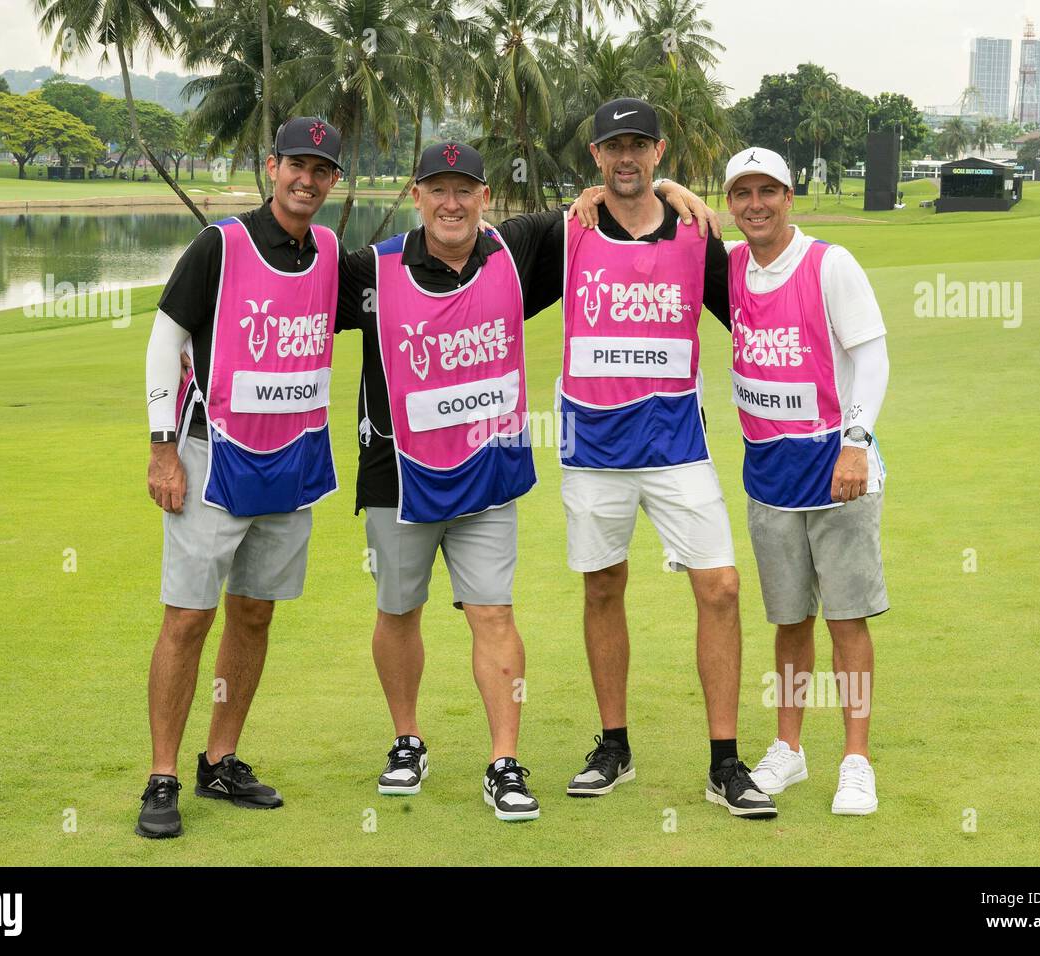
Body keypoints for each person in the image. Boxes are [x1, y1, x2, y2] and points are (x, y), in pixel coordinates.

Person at [335, 141, 717, 821]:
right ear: (417, 195)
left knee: (494, 613)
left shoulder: (519, 249)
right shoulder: (374, 268)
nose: (451, 204)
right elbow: (295, 291)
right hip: (397, 472)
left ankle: (503, 762)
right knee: (397, 610)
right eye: (437, 190)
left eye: (465, 191)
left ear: (485, 197)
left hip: (489, 471)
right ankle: (406, 740)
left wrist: (677, 188)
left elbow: (614, 194)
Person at [559, 99, 776, 818]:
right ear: (596, 156)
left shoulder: (695, 230)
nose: (625, 158)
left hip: (678, 443)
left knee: (720, 587)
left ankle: (724, 763)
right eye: (612, 146)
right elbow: (465, 264)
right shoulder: (567, 231)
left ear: (658, 151)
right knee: (602, 587)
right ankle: (613, 747)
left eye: (639, 146)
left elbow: (754, 309)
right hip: (592, 448)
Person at [135, 117, 344, 838]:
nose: (307, 181)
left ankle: (220, 759)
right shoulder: (220, 245)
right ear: (272, 165)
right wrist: (162, 449)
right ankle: (162, 776)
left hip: (291, 463)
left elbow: (430, 257)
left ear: (333, 181)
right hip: (208, 456)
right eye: (297, 166)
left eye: (322, 170)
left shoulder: (329, 251)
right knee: (189, 616)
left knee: (254, 613)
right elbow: (166, 338)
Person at [720, 147, 890, 815]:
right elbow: (676, 216)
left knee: (847, 620)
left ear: (790, 197)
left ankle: (856, 760)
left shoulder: (830, 263)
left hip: (838, 472)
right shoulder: (732, 266)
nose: (755, 204)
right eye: (742, 193)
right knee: (790, 621)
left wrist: (857, 443)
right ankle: (789, 750)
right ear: (730, 203)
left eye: (768, 191)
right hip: (769, 476)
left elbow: (872, 358)